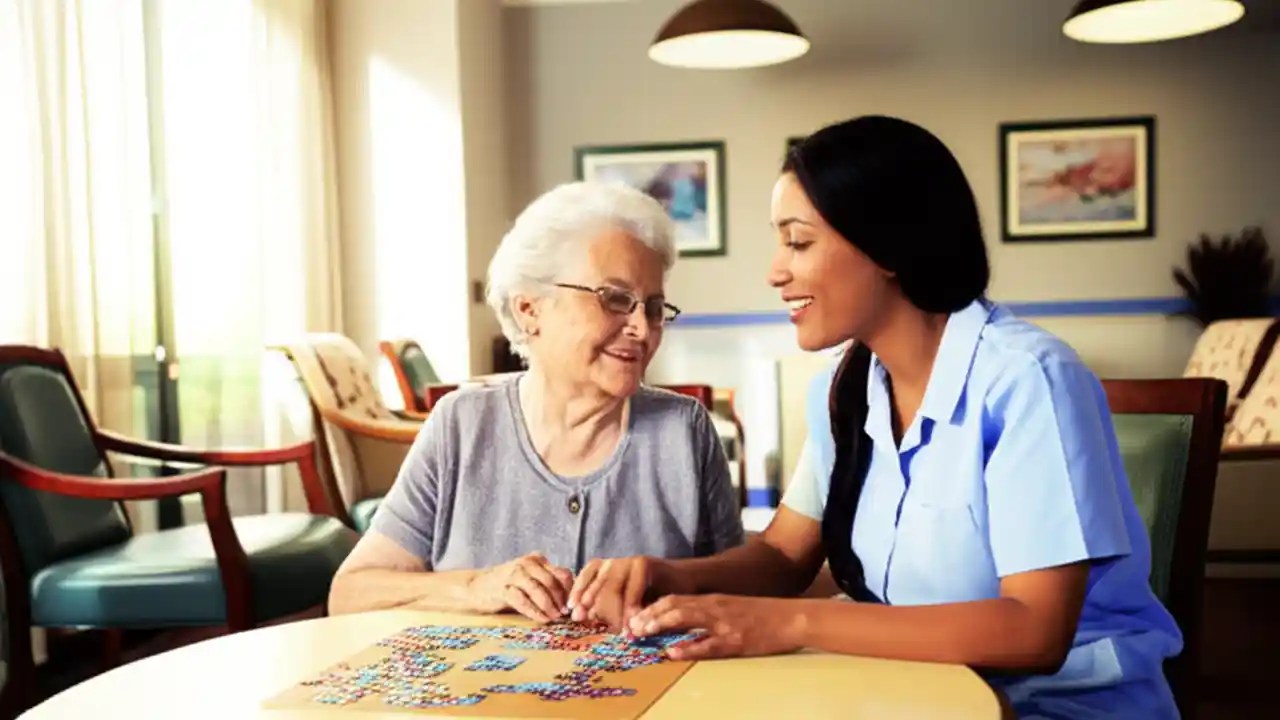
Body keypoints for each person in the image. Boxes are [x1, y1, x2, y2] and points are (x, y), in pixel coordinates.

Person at [567, 116, 1181, 719]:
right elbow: (784, 557)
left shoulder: (1028, 379)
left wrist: (796, 620)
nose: (774, 272)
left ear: (888, 246)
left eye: (798, 241)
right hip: (906, 694)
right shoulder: (844, 390)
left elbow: (1035, 630)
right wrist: (671, 576)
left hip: (1055, 707)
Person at [329, 181, 744, 622]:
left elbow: (745, 587)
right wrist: (475, 586)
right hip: (481, 690)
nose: (642, 329)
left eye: (654, 307)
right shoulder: (461, 426)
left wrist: (664, 585)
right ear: (529, 309)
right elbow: (351, 593)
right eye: (615, 299)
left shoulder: (684, 431)